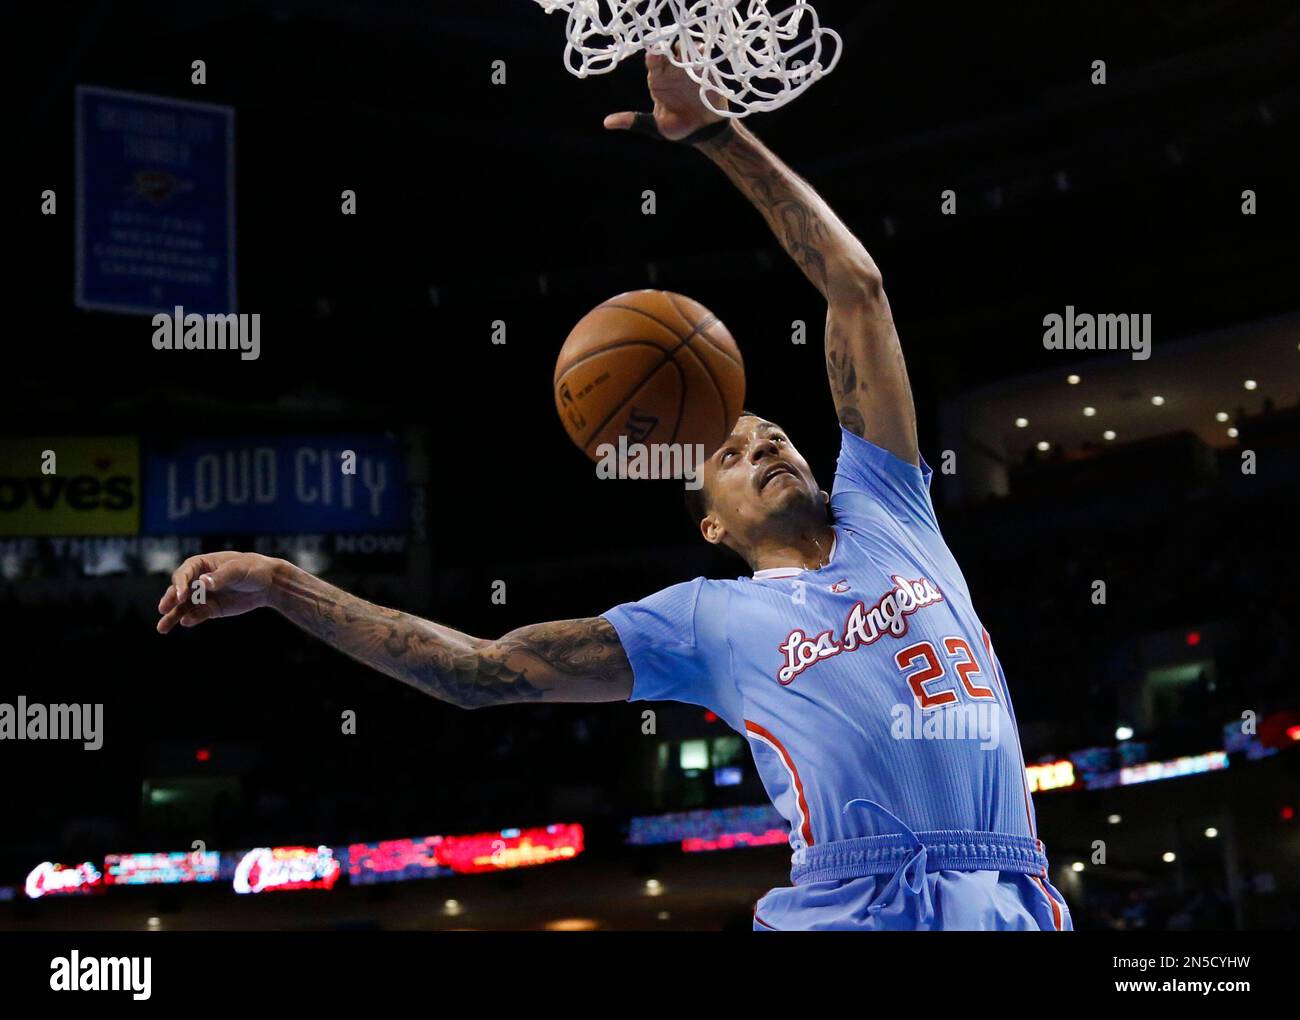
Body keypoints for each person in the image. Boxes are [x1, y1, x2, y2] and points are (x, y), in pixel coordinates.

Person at [156, 51, 1070, 931]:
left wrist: (717, 135)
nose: (765, 443)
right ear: (710, 524)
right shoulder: (704, 620)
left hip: (1012, 887)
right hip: (854, 905)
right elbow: (478, 673)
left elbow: (857, 288)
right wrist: (281, 584)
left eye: (775, 432)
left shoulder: (888, 507)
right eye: (731, 447)